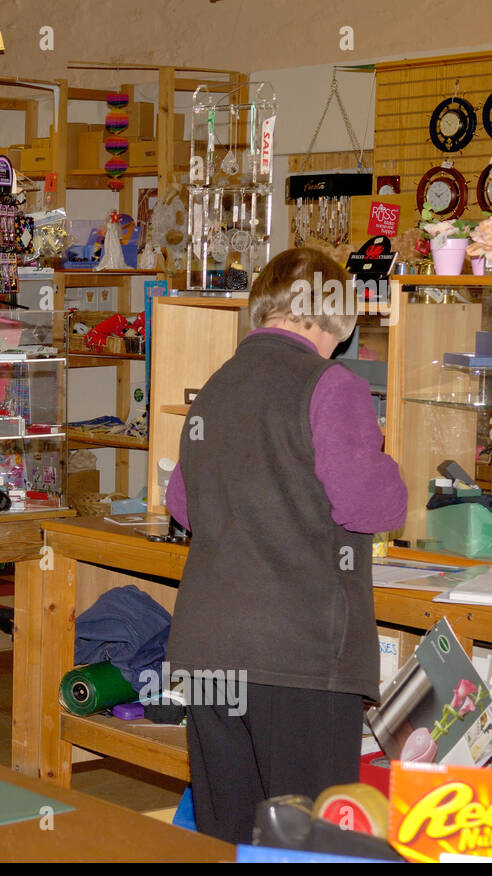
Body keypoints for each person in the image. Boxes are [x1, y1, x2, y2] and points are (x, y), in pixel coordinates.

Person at [164, 247, 407, 844]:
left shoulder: (217, 386)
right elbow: (367, 504)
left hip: (208, 651)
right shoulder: (332, 385)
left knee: (232, 837)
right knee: (309, 843)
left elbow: (182, 503)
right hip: (299, 659)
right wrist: (390, 470)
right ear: (336, 316)